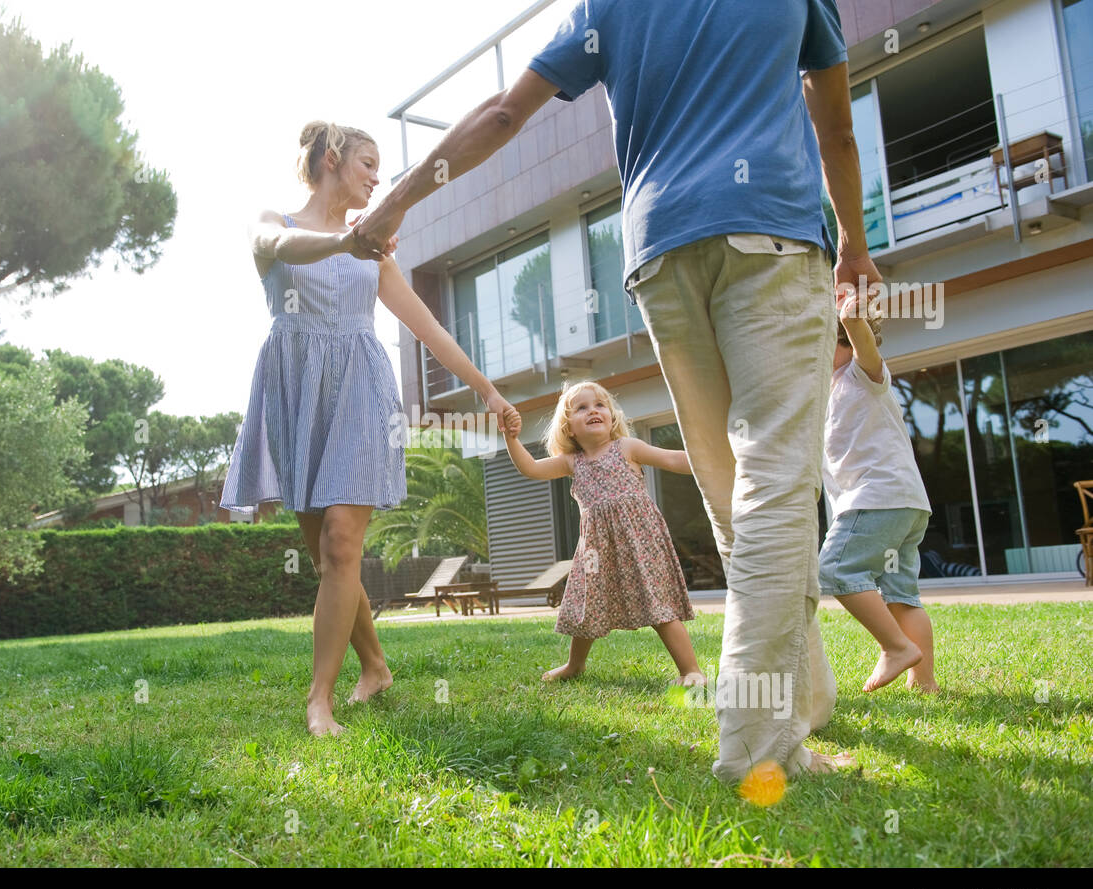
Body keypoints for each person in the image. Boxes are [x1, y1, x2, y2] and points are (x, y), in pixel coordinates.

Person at [351, 0, 875, 782]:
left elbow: (502, 112)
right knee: (772, 482)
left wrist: (394, 201)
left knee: (735, 493)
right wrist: (856, 247)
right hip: (770, 227)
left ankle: (802, 690)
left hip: (661, 249)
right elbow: (833, 125)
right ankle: (760, 745)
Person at [222, 121, 520, 737]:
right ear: (332, 159)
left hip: (362, 389)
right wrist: (348, 244)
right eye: (367, 163)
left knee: (339, 545)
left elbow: (427, 326)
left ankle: (319, 699)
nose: (376, 178)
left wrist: (486, 389)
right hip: (294, 389)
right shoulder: (275, 219)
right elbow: (281, 247)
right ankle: (376, 668)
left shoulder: (375, 249)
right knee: (329, 554)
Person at [504, 380, 705, 686]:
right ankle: (575, 665)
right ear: (569, 427)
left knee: (659, 605)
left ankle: (691, 670)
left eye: (600, 405)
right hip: (596, 551)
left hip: (640, 543)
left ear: (612, 417)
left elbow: (672, 459)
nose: (593, 411)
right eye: (582, 408)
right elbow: (531, 468)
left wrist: (711, 460)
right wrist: (511, 437)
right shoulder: (573, 463)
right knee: (587, 608)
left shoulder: (627, 448)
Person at [821, 296, 939, 693]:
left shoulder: (862, 373)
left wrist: (849, 317)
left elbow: (862, 343)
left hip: (878, 500)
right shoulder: (825, 395)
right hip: (902, 503)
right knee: (902, 595)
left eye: (822, 346)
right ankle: (924, 684)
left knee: (836, 569)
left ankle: (895, 647)